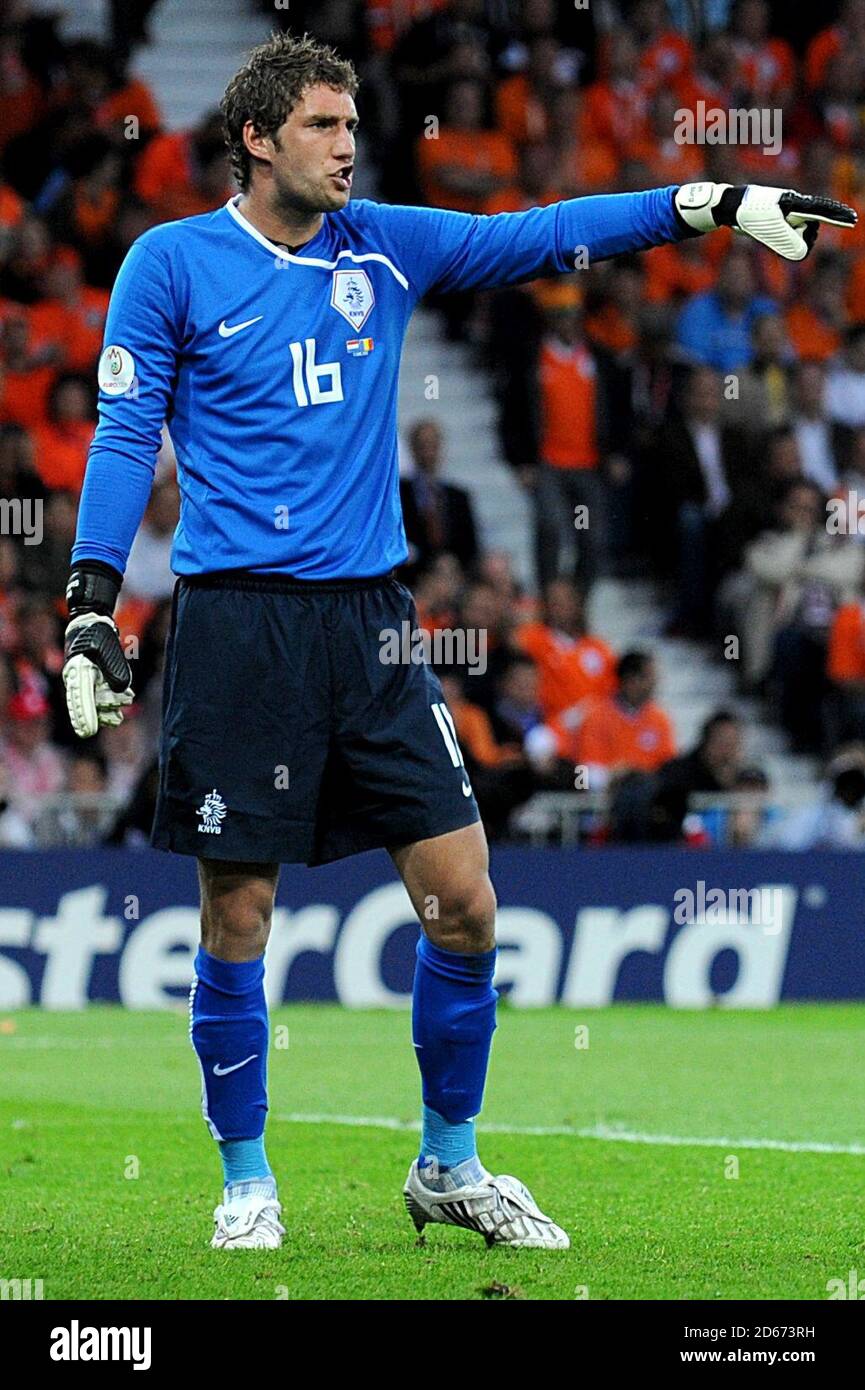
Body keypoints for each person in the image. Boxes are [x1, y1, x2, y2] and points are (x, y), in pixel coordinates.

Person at [60, 31, 857, 1253]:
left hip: (373, 624)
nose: (349, 144)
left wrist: (710, 199)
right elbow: (123, 440)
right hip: (236, 624)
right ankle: (247, 1178)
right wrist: (90, 604)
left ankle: (448, 1161)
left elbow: (539, 233)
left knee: (467, 904)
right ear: (259, 138)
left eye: (351, 122)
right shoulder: (170, 264)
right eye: (324, 125)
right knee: (237, 914)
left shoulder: (383, 238)